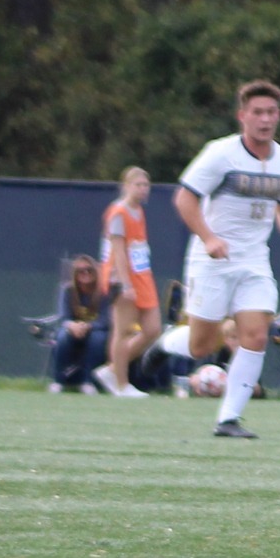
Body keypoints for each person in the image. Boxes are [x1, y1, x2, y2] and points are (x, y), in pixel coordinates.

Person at [173, 80, 280, 439]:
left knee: (255, 335)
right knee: (201, 346)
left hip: (254, 261)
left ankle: (229, 419)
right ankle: (163, 345)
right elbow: (184, 199)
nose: (264, 119)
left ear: (278, 116)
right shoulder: (220, 153)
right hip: (212, 260)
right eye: (257, 112)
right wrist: (209, 238)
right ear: (242, 116)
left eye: (270, 112)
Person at [97, 166, 159, 398]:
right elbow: (119, 252)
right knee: (122, 331)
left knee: (153, 329)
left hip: (142, 275)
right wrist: (125, 284)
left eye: (146, 185)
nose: (143, 189)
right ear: (126, 186)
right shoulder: (118, 213)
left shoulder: (138, 211)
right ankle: (121, 384)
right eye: (138, 185)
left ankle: (112, 369)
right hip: (123, 278)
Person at [47, 256, 111, 394]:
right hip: (73, 329)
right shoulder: (67, 290)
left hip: (96, 329)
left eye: (89, 270)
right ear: (74, 274)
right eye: (80, 271)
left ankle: (88, 382)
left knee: (97, 339)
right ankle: (58, 381)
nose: (85, 273)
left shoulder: (103, 291)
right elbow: (63, 317)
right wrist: (72, 325)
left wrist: (88, 326)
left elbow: (106, 320)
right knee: (62, 337)